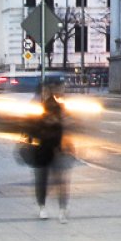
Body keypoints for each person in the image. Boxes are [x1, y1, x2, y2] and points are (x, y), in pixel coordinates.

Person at [29, 80, 69, 219]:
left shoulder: (46, 107)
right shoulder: (52, 107)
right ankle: (58, 208)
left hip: (46, 148)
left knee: (44, 180)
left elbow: (33, 129)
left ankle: (45, 207)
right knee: (55, 180)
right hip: (53, 148)